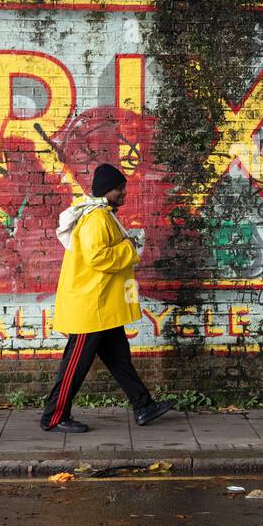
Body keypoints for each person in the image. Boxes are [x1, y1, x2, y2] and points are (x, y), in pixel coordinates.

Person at [41, 163, 174, 433]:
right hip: (91, 307)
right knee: (75, 365)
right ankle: (53, 417)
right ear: (106, 190)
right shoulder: (97, 219)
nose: (124, 193)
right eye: (119, 189)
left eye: (123, 187)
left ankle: (143, 406)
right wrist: (128, 248)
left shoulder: (104, 215)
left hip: (103, 306)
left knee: (119, 359)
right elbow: (98, 257)